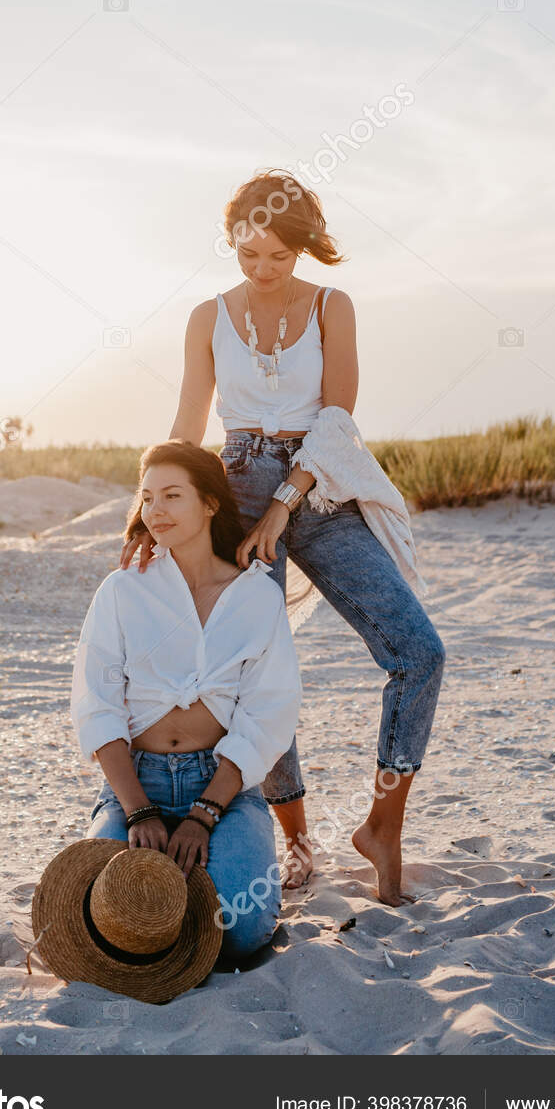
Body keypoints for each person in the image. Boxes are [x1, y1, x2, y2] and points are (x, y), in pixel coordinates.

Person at [121, 170, 445, 906]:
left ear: (300, 245)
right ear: (232, 242)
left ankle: (381, 828)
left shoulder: (333, 306)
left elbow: (336, 417)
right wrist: (148, 510)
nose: (264, 271)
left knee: (418, 652)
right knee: (256, 668)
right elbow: (186, 424)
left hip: (321, 488)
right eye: (248, 256)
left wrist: (284, 503)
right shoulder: (206, 316)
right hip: (232, 487)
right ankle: (294, 840)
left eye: (278, 256)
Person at [71, 439, 301, 960]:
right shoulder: (122, 590)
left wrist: (203, 814)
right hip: (135, 781)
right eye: (147, 498)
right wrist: (137, 811)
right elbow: (97, 704)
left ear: (210, 503)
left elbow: (268, 715)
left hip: (223, 786)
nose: (156, 511)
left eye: (172, 496)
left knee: (238, 931)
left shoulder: (257, 596)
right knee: (99, 916)